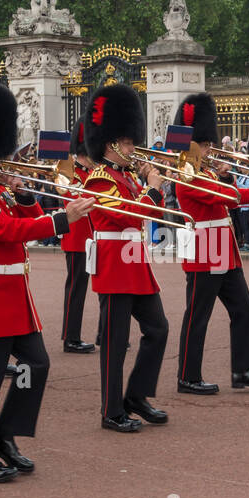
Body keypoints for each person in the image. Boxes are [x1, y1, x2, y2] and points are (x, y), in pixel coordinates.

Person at [0, 84, 92, 480]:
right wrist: (65, 218)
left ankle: (6, 434)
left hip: (13, 296)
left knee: (36, 364)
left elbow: (20, 216)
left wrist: (24, 193)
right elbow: (10, 231)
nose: (3, 161)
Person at [172, 93, 249, 395]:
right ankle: (187, 376)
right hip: (204, 249)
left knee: (243, 310)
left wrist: (225, 176)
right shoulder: (187, 174)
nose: (210, 150)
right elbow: (224, 197)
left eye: (208, 144)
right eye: (205, 145)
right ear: (193, 144)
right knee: (198, 316)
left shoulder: (204, 171)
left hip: (223, 248)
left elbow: (222, 195)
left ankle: (243, 369)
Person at [82, 83, 171, 432]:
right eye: (130, 142)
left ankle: (136, 395)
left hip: (135, 259)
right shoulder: (99, 180)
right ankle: (110, 409)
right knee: (116, 341)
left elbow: (151, 213)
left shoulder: (126, 176)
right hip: (115, 261)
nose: (134, 148)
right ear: (112, 144)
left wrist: (152, 188)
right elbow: (128, 215)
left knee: (158, 329)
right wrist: (151, 187)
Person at [59, 120, 96, 354]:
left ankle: (107, 330)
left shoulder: (92, 172)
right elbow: (73, 200)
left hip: (95, 237)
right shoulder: (69, 173)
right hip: (77, 238)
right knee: (76, 288)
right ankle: (71, 337)